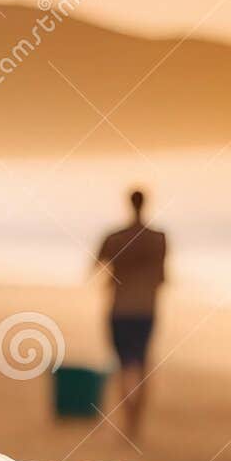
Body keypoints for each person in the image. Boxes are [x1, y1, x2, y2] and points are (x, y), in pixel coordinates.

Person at [95, 187, 167, 447]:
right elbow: (162, 277)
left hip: (120, 308)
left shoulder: (114, 238)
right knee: (144, 364)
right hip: (146, 308)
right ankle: (135, 424)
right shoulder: (158, 239)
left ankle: (127, 421)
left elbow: (95, 267)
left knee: (124, 366)